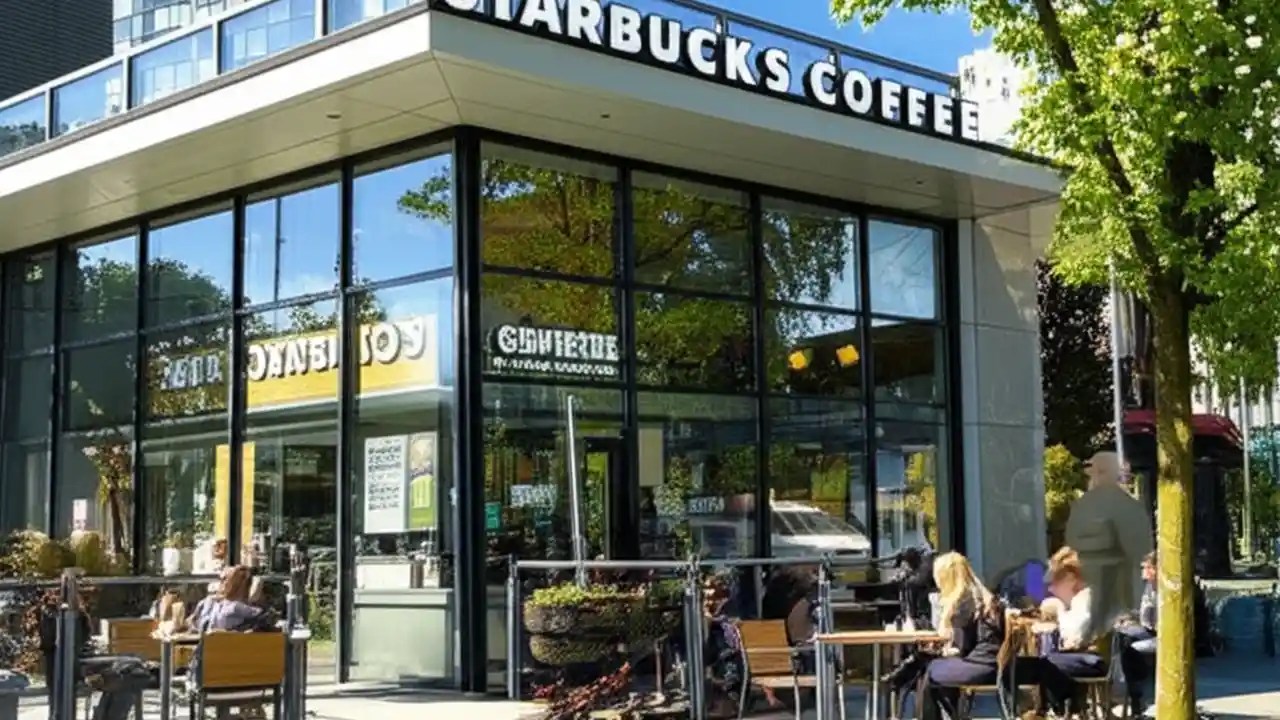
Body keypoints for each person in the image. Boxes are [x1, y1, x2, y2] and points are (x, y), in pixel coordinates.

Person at [1040, 547, 1106, 712]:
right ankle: (1062, 705)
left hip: (1093, 659)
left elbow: (1076, 636)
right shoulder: (1082, 598)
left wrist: (1059, 609)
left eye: (1055, 583)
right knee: (1046, 659)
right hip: (1087, 656)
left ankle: (1063, 706)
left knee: (1046, 664)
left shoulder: (1086, 598)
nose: (1051, 589)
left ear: (1071, 578)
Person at [1117, 551, 1158, 715]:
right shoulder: (1149, 587)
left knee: (1128, 647)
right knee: (1120, 635)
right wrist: (1129, 618)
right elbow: (1145, 614)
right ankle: (1127, 687)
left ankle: (1136, 693)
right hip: (1146, 628)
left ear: (1155, 569)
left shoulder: (1162, 590)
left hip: (1157, 634)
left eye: (1146, 567)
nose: (1143, 572)